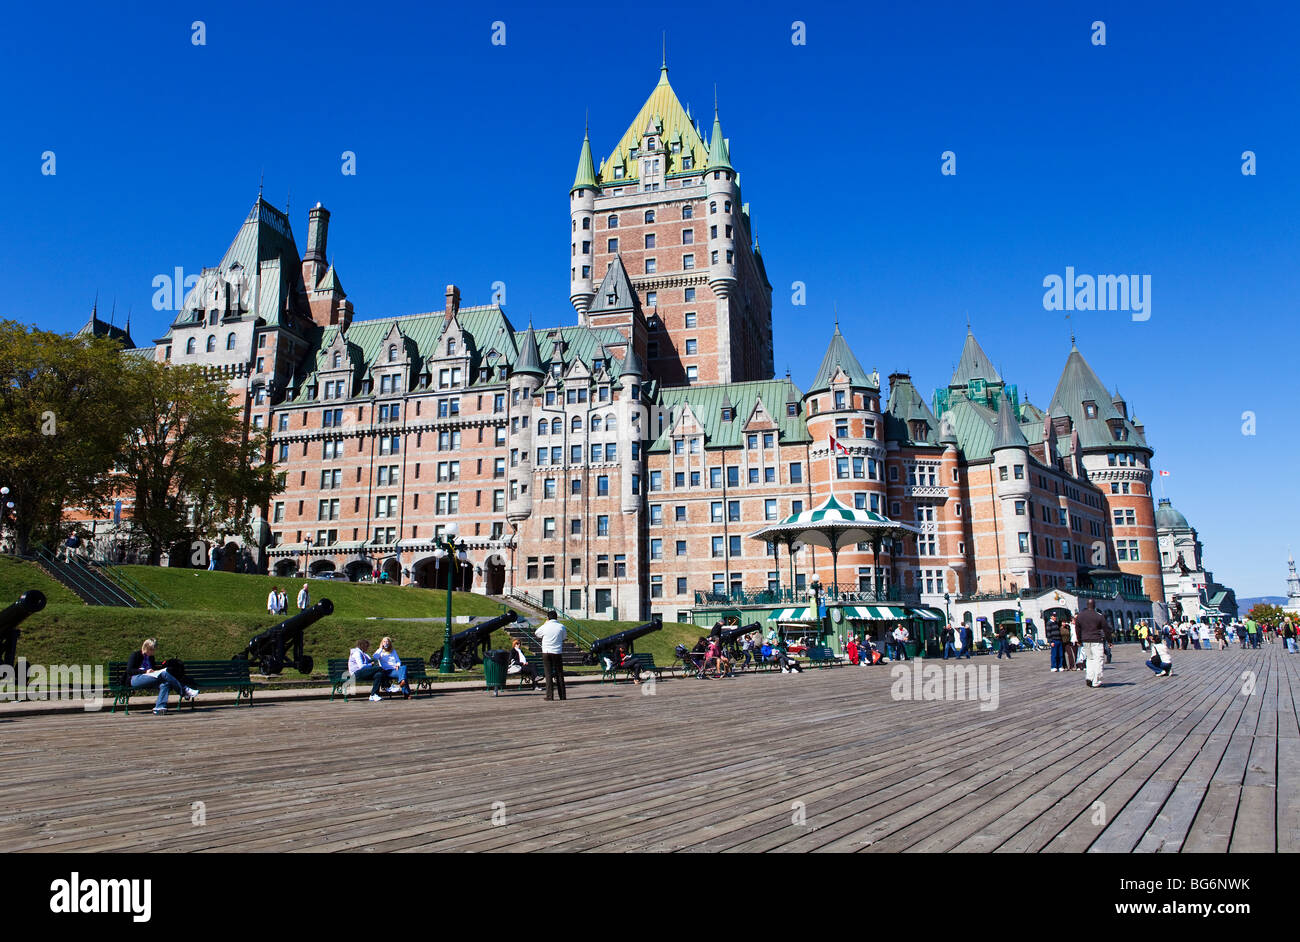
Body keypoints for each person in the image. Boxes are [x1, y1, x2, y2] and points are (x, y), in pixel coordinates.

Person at [124, 638, 199, 714]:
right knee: (163, 674)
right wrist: (145, 671)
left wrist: (158, 669)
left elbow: (153, 668)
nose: (153, 652)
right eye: (152, 649)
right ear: (146, 647)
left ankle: (159, 707)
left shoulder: (151, 657)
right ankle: (184, 690)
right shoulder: (136, 655)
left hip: (149, 678)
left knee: (165, 683)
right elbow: (129, 670)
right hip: (135, 679)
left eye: (154, 649)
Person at [1075, 600, 1112, 688]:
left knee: (1089, 659)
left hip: (1085, 640)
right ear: (1094, 605)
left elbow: (1078, 629)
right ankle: (1096, 680)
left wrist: (1079, 640)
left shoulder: (1080, 616)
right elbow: (1106, 629)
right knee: (1098, 660)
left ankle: (1089, 677)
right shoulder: (1099, 616)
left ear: (1087, 605)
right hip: (1096, 640)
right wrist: (1109, 640)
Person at [536, 609, 567, 701]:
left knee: (548, 674)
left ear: (548, 618)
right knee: (559, 674)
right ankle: (562, 695)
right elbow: (564, 637)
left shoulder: (545, 626)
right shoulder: (561, 627)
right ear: (556, 617)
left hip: (546, 651)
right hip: (557, 652)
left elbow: (537, 633)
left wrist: (545, 623)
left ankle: (549, 696)